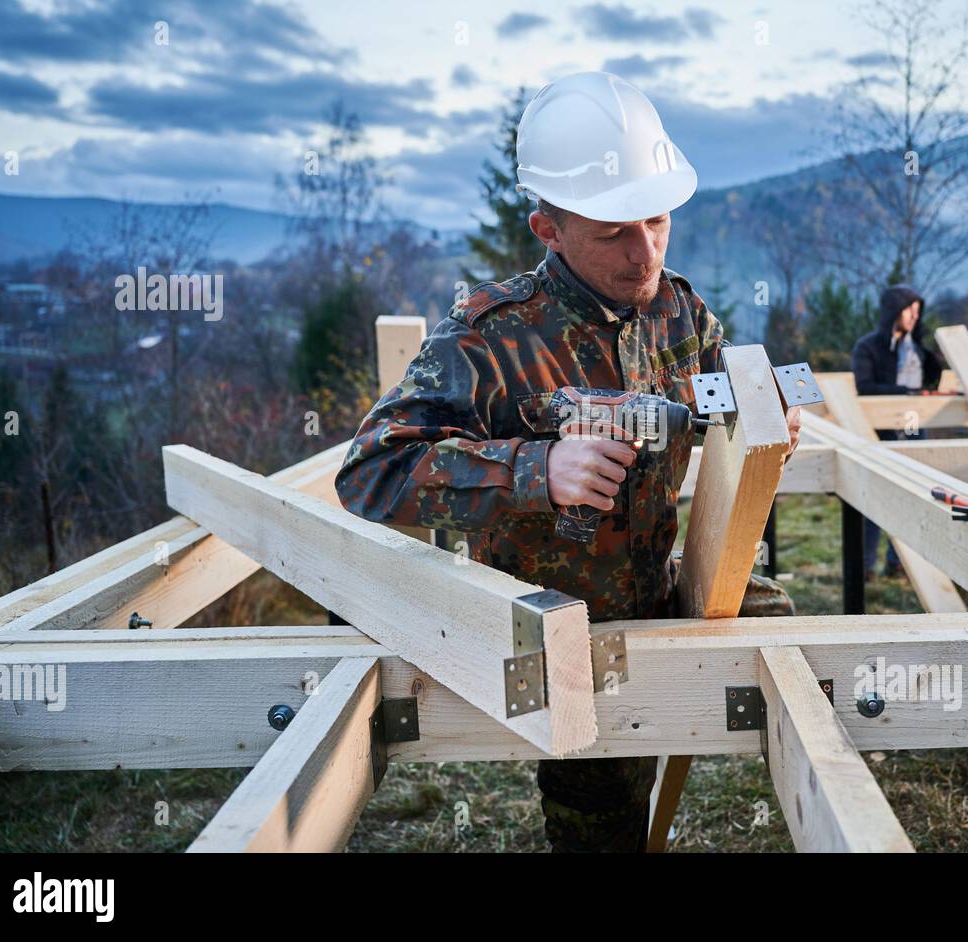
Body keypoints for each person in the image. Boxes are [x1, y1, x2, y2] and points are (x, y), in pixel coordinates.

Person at [334, 71, 801, 852]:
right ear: (547, 228)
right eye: (613, 230)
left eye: (657, 220)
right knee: (601, 827)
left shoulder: (681, 314)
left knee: (789, 642)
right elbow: (368, 470)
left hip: (655, 593)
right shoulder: (490, 335)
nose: (643, 251)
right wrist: (534, 471)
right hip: (552, 636)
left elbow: (722, 411)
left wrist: (763, 425)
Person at [849, 283, 944, 578]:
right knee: (875, 499)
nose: (915, 317)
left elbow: (930, 384)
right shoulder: (868, 347)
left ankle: (899, 562)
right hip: (881, 432)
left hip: (915, 429)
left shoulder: (916, 349)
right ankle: (864, 566)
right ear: (894, 311)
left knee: (913, 494)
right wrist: (904, 391)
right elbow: (865, 388)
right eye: (909, 311)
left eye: (918, 312)